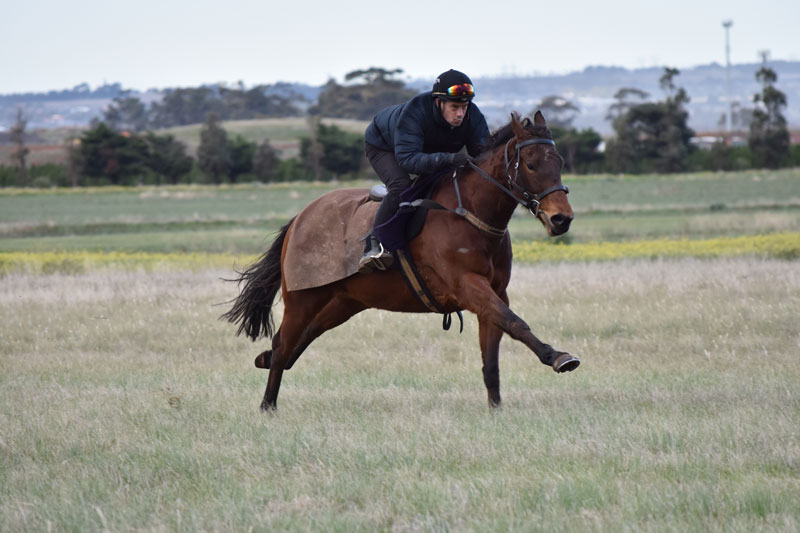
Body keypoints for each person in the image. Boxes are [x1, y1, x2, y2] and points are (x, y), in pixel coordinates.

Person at [358, 69, 490, 273]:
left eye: (464, 107)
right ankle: (374, 243)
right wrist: (449, 158)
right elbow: (408, 161)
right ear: (439, 102)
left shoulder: (474, 116)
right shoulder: (415, 113)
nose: (460, 114)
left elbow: (483, 156)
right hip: (385, 146)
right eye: (455, 107)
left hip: (425, 150)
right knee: (401, 186)